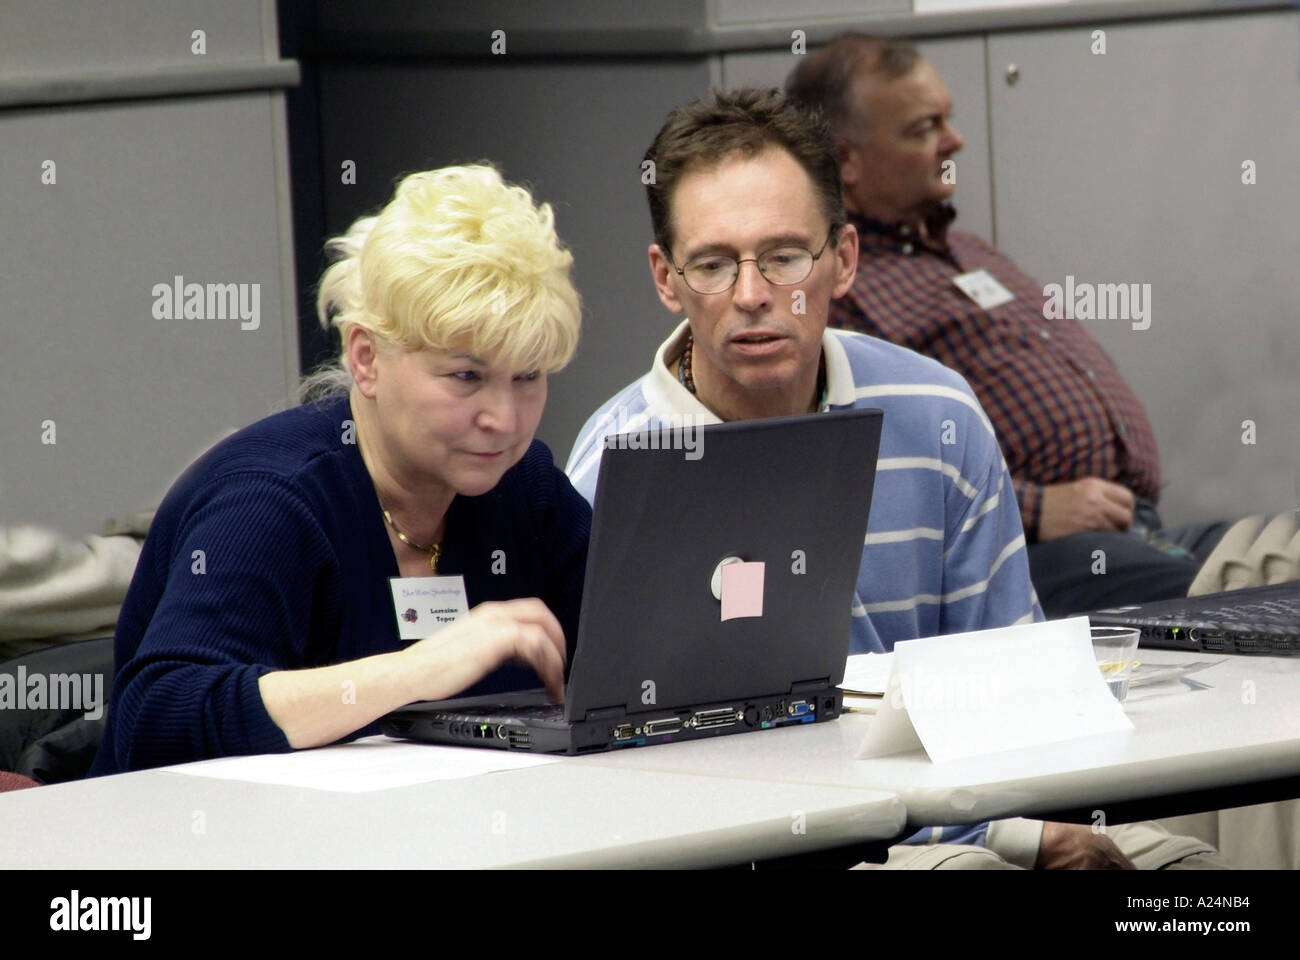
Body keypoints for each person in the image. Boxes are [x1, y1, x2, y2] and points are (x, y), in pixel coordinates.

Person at [566, 88, 1225, 870]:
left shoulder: (935, 411)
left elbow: (1015, 679)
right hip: (777, 850)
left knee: (1194, 884)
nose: (751, 295)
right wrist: (1015, 840)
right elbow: (628, 777)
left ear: (843, 259)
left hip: (981, 818)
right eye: (713, 264)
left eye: (783, 257)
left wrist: (1037, 832)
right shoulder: (615, 469)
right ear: (666, 279)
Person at [90, 165, 588, 776]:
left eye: (528, 376)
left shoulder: (524, 486)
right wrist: (418, 671)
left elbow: (645, 652)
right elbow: (158, 720)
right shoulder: (269, 501)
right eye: (467, 376)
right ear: (366, 358)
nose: (504, 419)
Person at [784, 34, 1243, 617]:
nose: (955, 140)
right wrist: (1035, 507)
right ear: (846, 160)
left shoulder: (969, 250)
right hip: (1032, 551)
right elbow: (875, 470)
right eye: (925, 128)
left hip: (1139, 526)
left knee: (1279, 549)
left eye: (948, 118)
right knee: (1239, 591)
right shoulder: (839, 288)